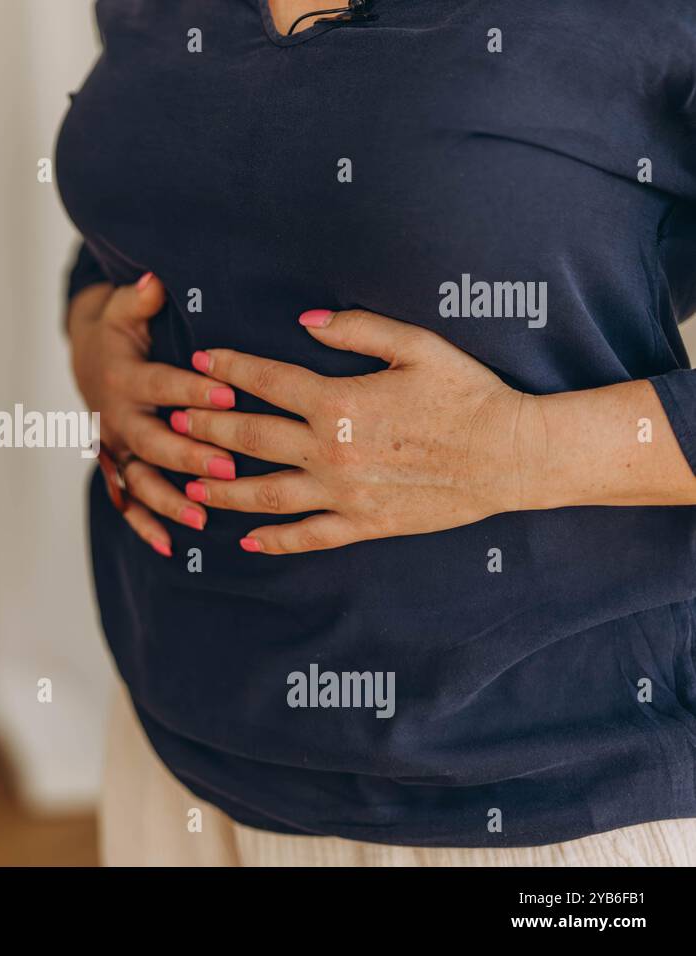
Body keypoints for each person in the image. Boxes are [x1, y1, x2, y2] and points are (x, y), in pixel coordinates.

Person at [57, 0, 696, 865]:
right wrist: (94, 328)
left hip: (554, 796)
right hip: (181, 746)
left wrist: (516, 453)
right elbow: (147, 208)